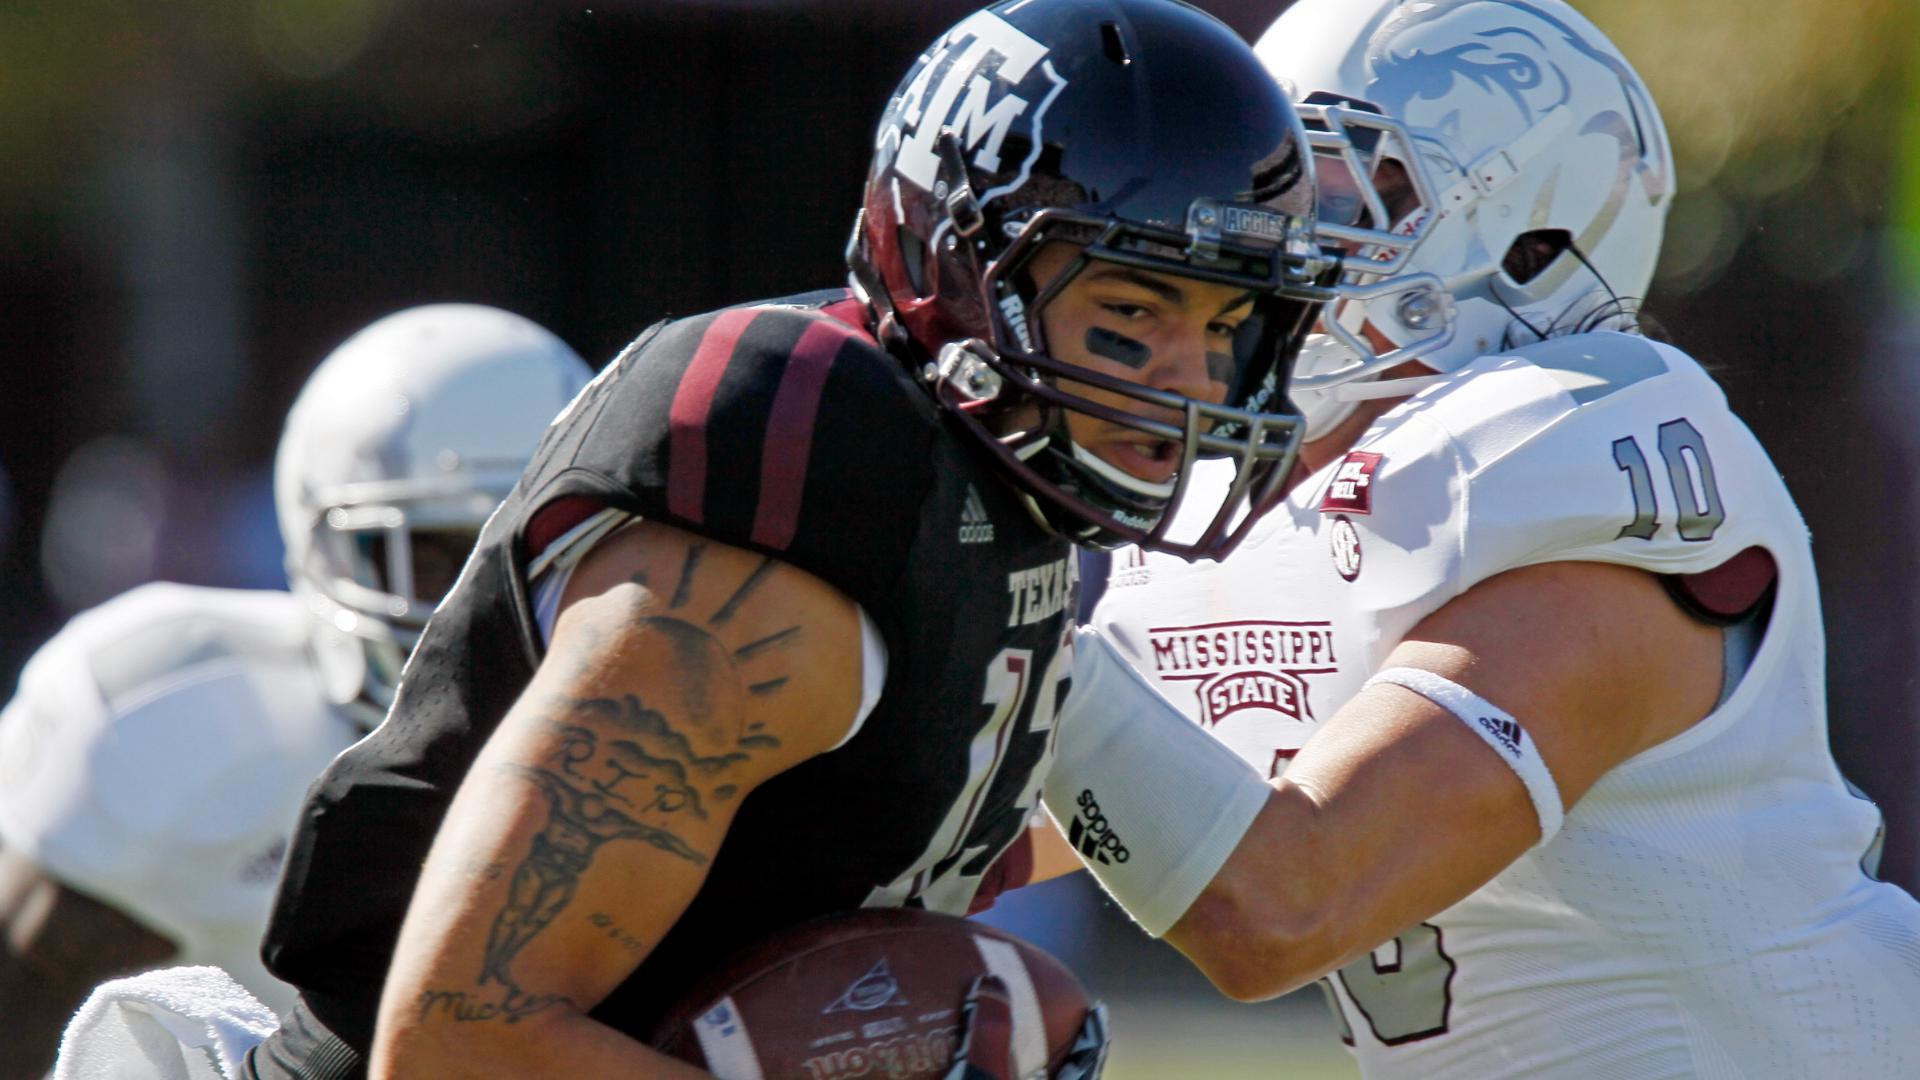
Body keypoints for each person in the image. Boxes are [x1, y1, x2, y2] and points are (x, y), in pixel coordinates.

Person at [240, 2, 1332, 1077]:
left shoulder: (988, 483)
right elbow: (454, 1044)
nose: (1191, 385)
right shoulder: (787, 529)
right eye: (1132, 315)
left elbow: (891, 835)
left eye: (1225, 325)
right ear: (958, 267)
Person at [1041, 1, 1920, 1077]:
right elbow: (1020, 817)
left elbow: (1281, 903)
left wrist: (1025, 639)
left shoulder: (1573, 489)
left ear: (1531, 241)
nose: (1278, 239)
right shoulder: (1282, 504)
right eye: (1266, 193)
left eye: (1337, 193)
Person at [0, 304, 594, 1078]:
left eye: (538, 558)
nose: (490, 607)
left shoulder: (687, 725)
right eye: (434, 556)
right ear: (326, 546)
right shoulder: (172, 714)